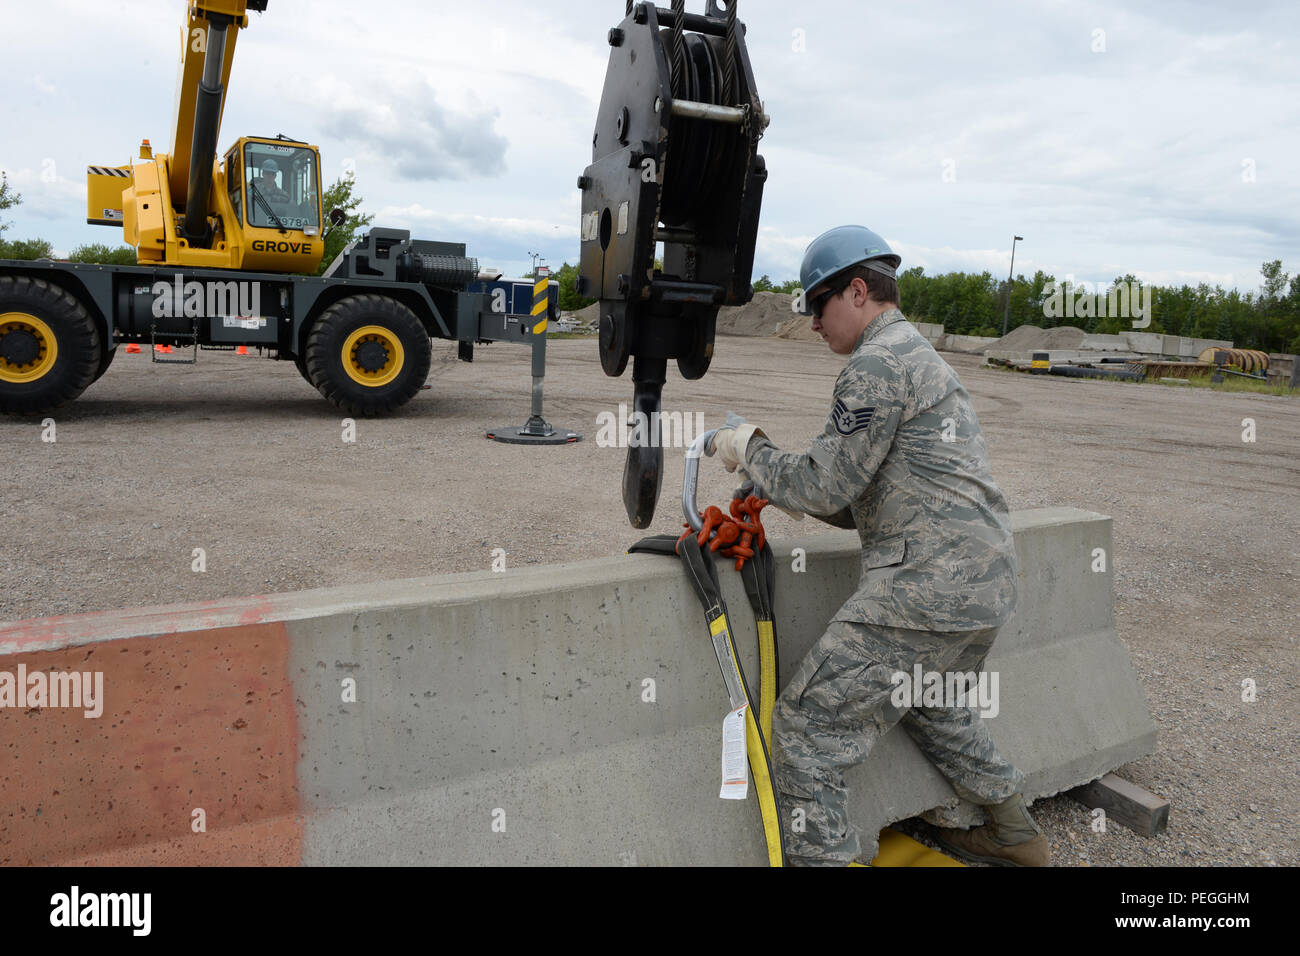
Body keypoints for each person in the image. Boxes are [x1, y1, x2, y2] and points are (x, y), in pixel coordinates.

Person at [708, 225, 1049, 867]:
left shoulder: (875, 362)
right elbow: (857, 496)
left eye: (817, 303)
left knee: (806, 733)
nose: (811, 322)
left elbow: (825, 481)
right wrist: (770, 488)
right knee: (932, 704)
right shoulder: (920, 356)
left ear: (857, 291)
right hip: (984, 584)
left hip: (925, 588)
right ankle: (1015, 836)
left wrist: (748, 447)